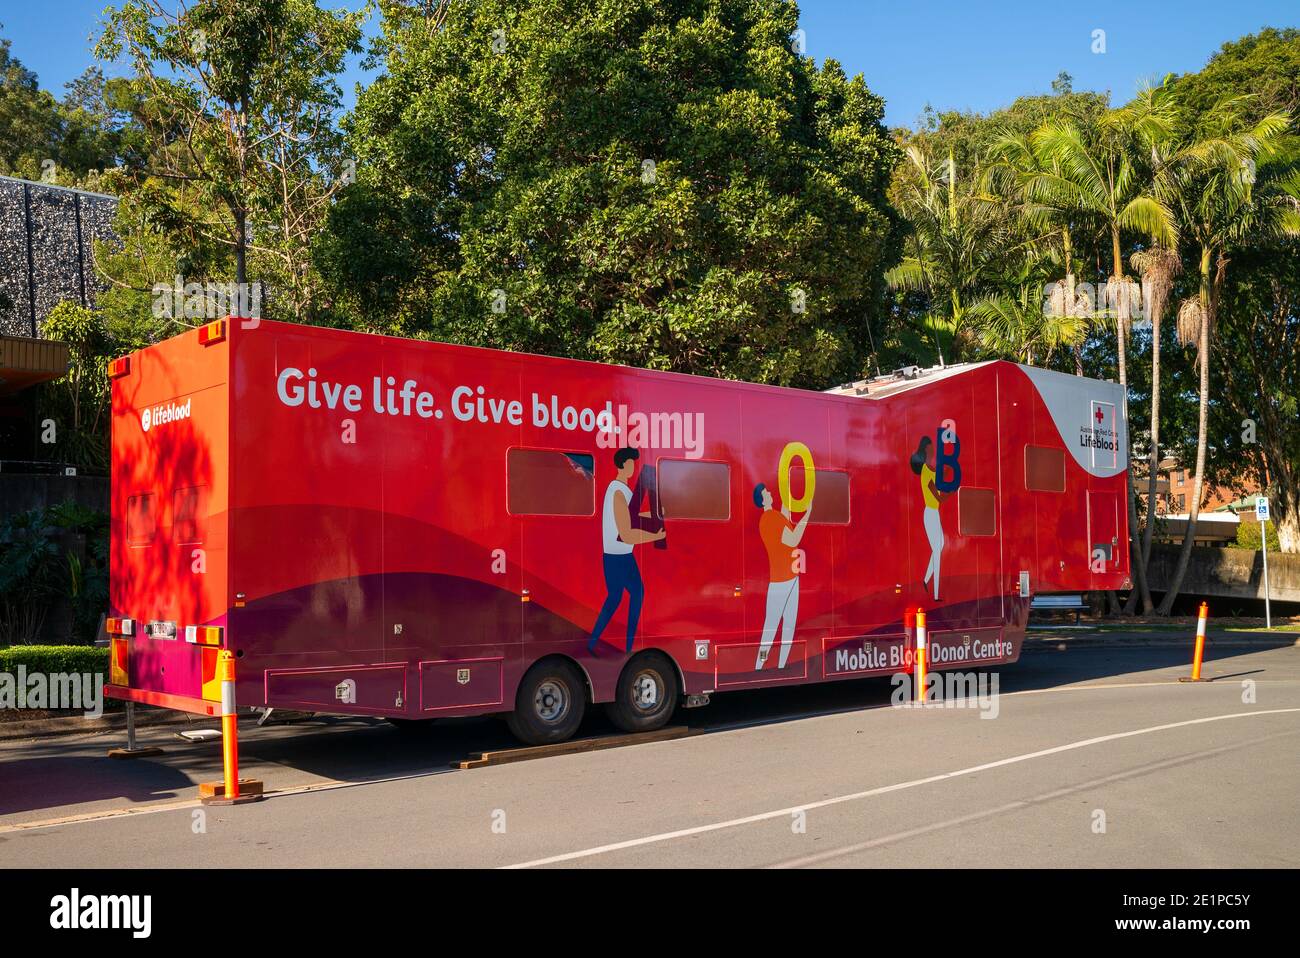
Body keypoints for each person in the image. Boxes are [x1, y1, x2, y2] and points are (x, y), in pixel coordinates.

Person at [588, 447, 666, 654]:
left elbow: (635, 517)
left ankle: (607, 642)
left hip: (621, 556)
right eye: (631, 462)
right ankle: (619, 644)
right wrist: (655, 537)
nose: (633, 466)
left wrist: (656, 512)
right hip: (618, 557)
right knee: (625, 595)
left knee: (625, 595)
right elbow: (627, 533)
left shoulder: (623, 490)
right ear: (622, 465)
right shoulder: (617, 492)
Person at [753, 482, 811, 670]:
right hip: (782, 581)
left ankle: (779, 667)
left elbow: (785, 517)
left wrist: (788, 493)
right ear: (763, 500)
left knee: (786, 627)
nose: (769, 492)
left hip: (790, 578)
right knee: (777, 627)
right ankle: (760, 666)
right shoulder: (769, 519)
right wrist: (807, 515)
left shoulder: (774, 517)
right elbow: (793, 539)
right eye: (766, 492)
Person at [910, 435, 950, 601]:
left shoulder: (931, 469)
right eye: (931, 447)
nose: (933, 450)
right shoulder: (926, 472)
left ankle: (926, 580)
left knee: (940, 545)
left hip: (935, 513)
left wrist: (948, 470)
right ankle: (935, 594)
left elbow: (940, 476)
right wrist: (947, 495)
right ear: (926, 450)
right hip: (930, 513)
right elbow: (935, 492)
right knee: (937, 551)